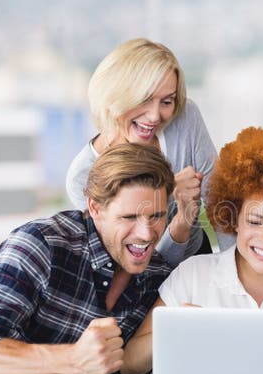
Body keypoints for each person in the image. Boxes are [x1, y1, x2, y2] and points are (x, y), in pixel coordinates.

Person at [0, 143, 175, 374]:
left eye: (157, 216)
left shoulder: (158, 276)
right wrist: (75, 359)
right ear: (95, 208)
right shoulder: (41, 245)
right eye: (129, 217)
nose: (146, 234)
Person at [121, 127, 263, 374]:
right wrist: (174, 326)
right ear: (234, 221)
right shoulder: (192, 275)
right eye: (255, 222)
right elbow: (130, 363)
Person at [66, 37, 218, 266]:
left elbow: (221, 201)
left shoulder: (184, 118)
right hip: (139, 280)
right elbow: (130, 266)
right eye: (144, 99)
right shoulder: (83, 177)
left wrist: (238, 275)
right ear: (117, 95)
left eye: (167, 101)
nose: (155, 116)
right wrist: (166, 197)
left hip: (197, 259)